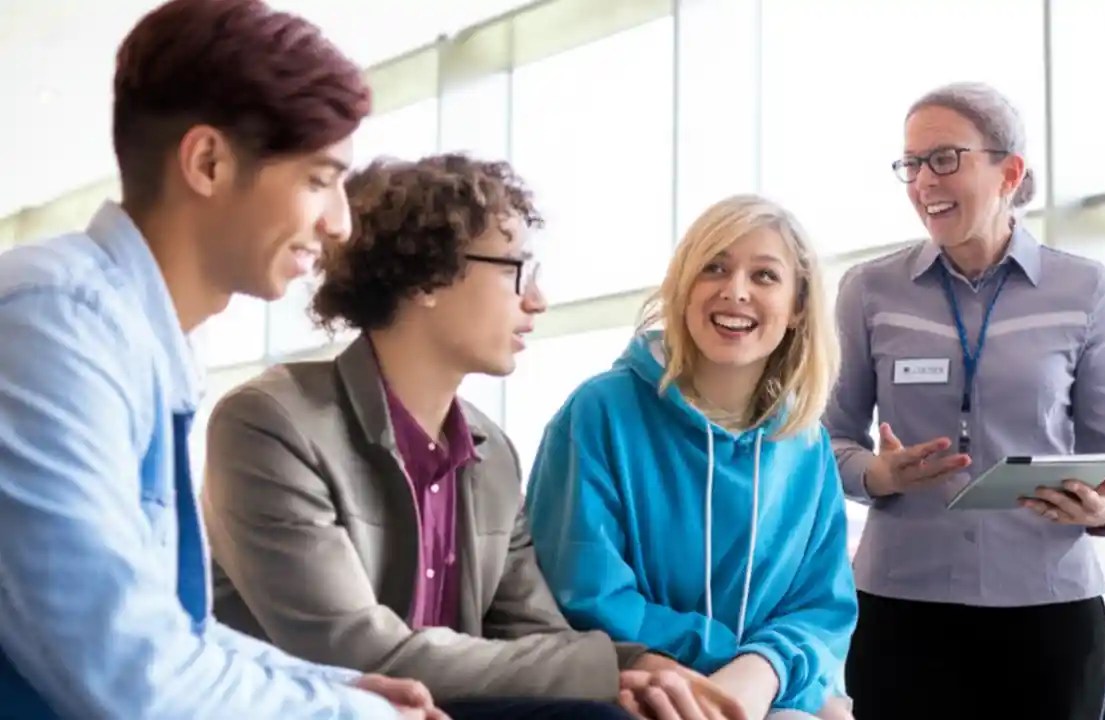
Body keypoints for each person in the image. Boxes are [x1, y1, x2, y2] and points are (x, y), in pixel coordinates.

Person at [0, 1, 444, 718]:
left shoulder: (136, 336)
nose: (340, 223)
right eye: (317, 180)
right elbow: (124, 671)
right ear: (208, 162)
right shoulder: (56, 328)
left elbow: (179, 634)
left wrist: (336, 689)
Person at [201, 154, 747, 720]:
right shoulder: (269, 423)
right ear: (428, 277)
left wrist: (642, 669)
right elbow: (355, 652)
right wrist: (610, 673)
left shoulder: (490, 453)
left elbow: (537, 636)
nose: (537, 299)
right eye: (515, 269)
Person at [824, 81, 1105, 720]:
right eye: (910, 164)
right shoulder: (868, 290)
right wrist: (876, 473)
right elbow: (825, 442)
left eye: (944, 158)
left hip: (1050, 612)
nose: (921, 182)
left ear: (1009, 172)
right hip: (900, 609)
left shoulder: (1086, 288)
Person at [524, 194, 859, 720]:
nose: (736, 291)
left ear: (797, 307)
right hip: (634, 684)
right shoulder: (600, 413)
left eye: (765, 276)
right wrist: (740, 667)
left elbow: (822, 606)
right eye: (714, 267)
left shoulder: (807, 444)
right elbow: (581, 592)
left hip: (767, 695)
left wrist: (766, 672)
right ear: (683, 288)